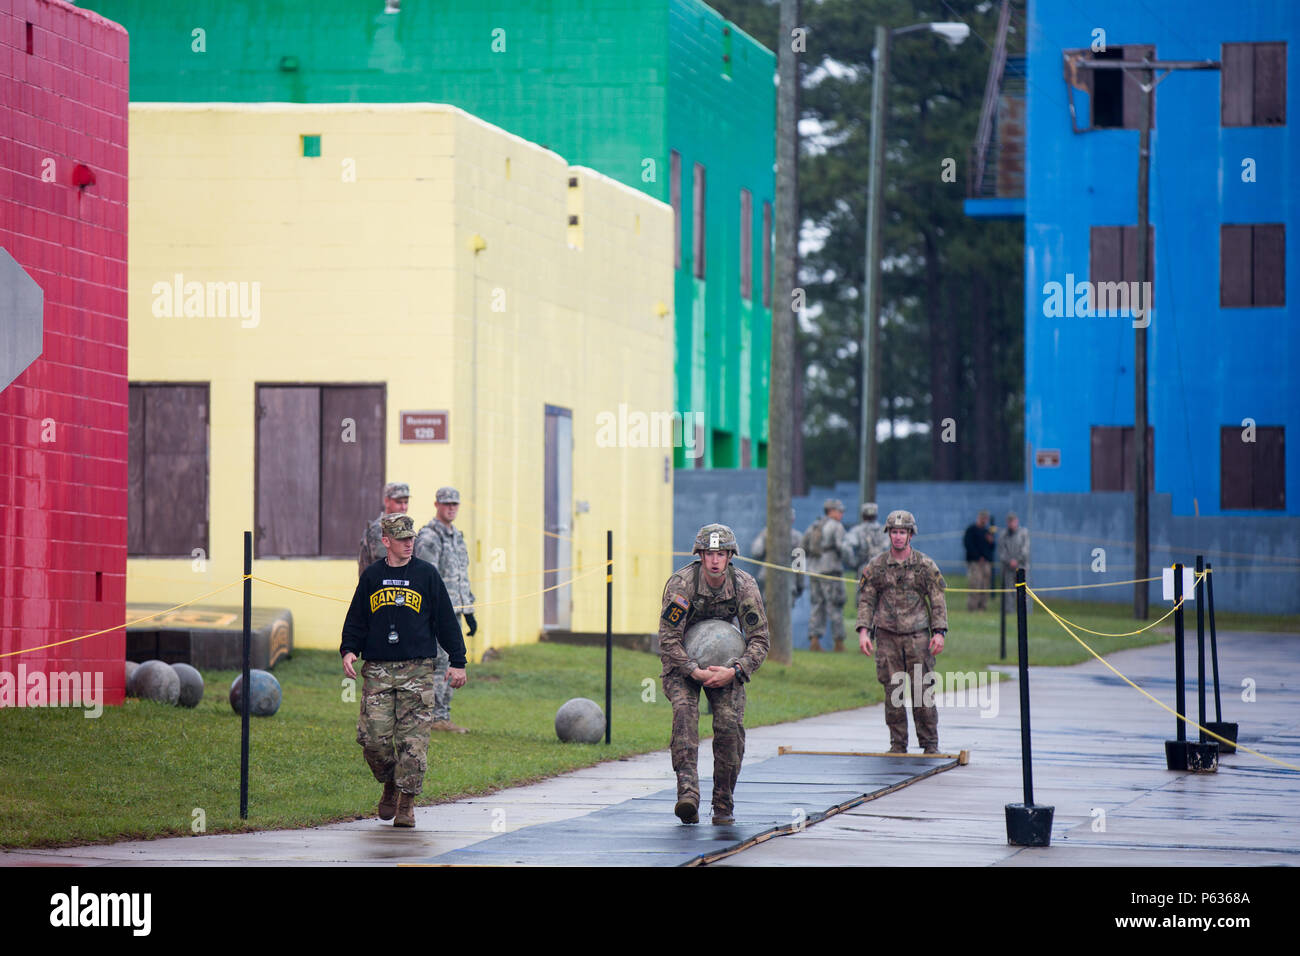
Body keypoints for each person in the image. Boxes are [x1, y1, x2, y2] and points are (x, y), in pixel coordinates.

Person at [341, 513, 467, 828]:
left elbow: (446, 621)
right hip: (379, 671)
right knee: (373, 740)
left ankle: (406, 803)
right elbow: (357, 617)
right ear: (386, 542)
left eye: (411, 538)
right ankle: (389, 783)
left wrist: (458, 660)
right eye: (402, 539)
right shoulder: (372, 577)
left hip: (418, 670)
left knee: (413, 742)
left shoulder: (427, 576)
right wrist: (349, 650)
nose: (409, 544)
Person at [658, 523, 769, 826]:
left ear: (730, 555)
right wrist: (692, 670)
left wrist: (734, 671)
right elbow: (668, 638)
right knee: (684, 713)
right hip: (684, 663)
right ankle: (688, 794)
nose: (715, 560)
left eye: (721, 553)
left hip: (727, 667)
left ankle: (723, 802)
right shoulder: (682, 585)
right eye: (709, 554)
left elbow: (760, 640)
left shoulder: (744, 586)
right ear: (700, 555)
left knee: (729, 725)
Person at [856, 510, 949, 754]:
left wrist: (939, 632)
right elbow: (866, 600)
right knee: (893, 692)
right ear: (889, 534)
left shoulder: (925, 566)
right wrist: (864, 632)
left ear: (910, 535)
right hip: (887, 636)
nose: (898, 537)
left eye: (902, 532)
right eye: (894, 532)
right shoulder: (876, 567)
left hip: (918, 636)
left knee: (922, 690)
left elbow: (937, 599)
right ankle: (898, 744)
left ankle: (930, 743)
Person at [413, 486, 475, 734]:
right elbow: (426, 579)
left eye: (455, 504)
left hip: (456, 611)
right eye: (446, 503)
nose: (451, 507)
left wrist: (469, 610)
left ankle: (442, 714)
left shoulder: (456, 536)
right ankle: (436, 716)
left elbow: (462, 576)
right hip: (437, 613)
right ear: (436, 504)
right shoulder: (429, 537)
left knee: (451, 661)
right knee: (440, 663)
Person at [802, 498, 847, 651]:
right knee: (834, 605)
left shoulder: (814, 525)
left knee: (817, 605)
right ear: (831, 511)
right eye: (839, 511)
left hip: (814, 570)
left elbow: (803, 547)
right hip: (830, 570)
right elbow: (842, 547)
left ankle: (814, 640)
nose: (841, 514)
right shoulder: (837, 526)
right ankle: (838, 642)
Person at [749, 508, 805, 601]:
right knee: (785, 611)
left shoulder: (766, 533)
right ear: (792, 520)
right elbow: (800, 565)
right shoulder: (797, 537)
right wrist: (800, 584)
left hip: (768, 577)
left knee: (767, 608)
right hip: (788, 580)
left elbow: (756, 551)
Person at [358, 481, 410, 577]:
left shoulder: (407, 528)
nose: (403, 507)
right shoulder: (378, 530)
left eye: (406, 502)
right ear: (387, 501)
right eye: (398, 502)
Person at [840, 501, 889, 575]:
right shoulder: (884, 531)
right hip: (882, 570)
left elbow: (845, 547)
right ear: (876, 515)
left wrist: (853, 563)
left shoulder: (857, 530)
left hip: (865, 569)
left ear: (863, 515)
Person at [962, 509, 996, 611]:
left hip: (986, 563)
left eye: (986, 519)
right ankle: (972, 607)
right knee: (975, 584)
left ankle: (982, 607)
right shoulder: (971, 530)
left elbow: (992, 548)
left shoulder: (987, 532)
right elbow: (968, 545)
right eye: (983, 518)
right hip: (975, 563)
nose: (985, 521)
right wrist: (978, 557)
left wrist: (991, 542)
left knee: (985, 585)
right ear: (979, 518)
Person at [999, 512, 1030, 615]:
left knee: (1024, 591)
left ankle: (1025, 612)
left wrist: (1017, 560)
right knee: (1009, 591)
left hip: (1021, 567)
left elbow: (1025, 550)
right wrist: (1009, 561)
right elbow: (1002, 552)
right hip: (1008, 568)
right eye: (1009, 521)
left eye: (1013, 521)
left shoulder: (1023, 533)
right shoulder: (1004, 535)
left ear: (1017, 521)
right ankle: (1010, 612)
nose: (1011, 524)